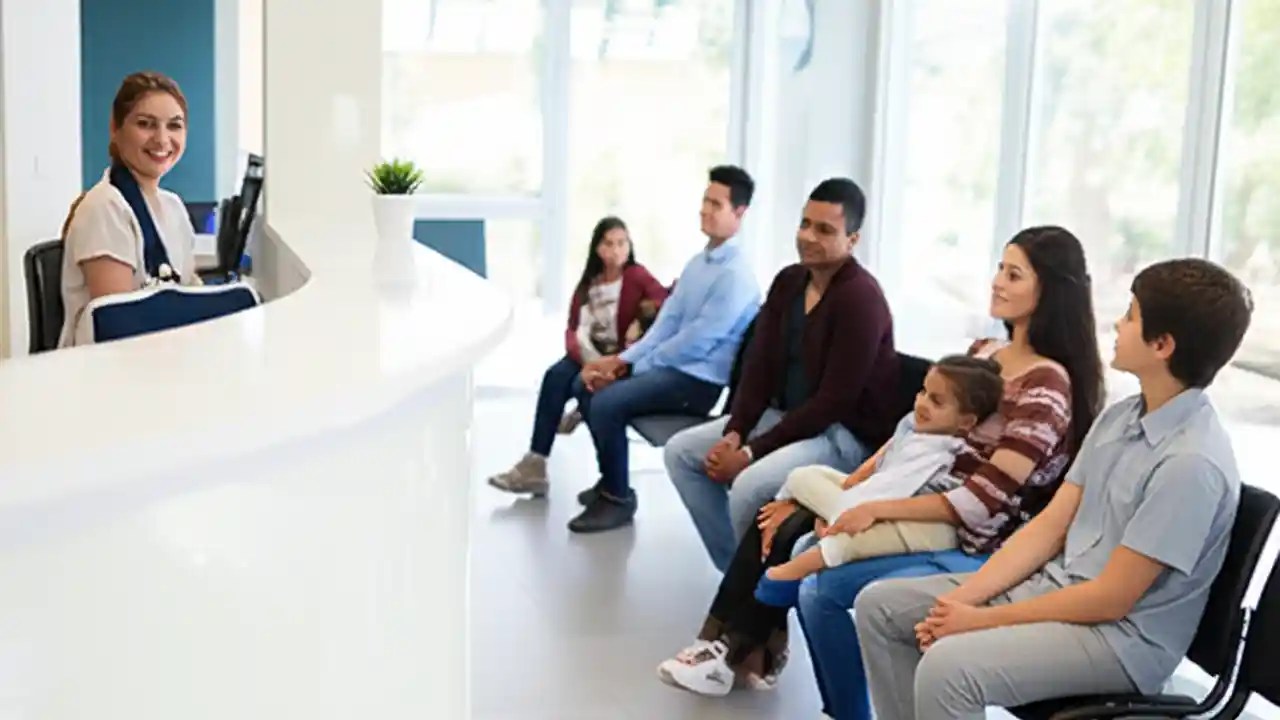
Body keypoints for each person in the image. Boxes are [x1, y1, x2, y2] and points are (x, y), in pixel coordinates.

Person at [855, 258, 1252, 719]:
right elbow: (1050, 527)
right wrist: (962, 600)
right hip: (1055, 588)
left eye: (1130, 316)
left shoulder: (1191, 465)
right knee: (879, 607)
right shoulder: (1122, 416)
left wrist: (981, 619)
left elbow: (1111, 599)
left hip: (1120, 640)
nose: (1117, 325)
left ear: (1162, 345)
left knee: (948, 667)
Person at [784, 226, 1106, 720]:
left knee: (819, 587)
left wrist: (874, 510)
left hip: (978, 543)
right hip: (925, 507)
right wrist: (855, 493)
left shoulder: (1046, 385)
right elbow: (913, 433)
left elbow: (982, 501)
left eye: (1014, 274)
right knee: (806, 551)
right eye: (1000, 268)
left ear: (1050, 291)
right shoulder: (983, 352)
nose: (997, 282)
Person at [664, 178, 900, 572]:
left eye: (824, 230)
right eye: (804, 224)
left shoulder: (861, 299)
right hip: (787, 418)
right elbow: (759, 366)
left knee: (748, 487)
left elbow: (833, 402)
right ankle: (737, 576)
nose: (808, 237)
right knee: (682, 453)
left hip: (842, 435)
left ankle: (750, 591)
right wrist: (736, 432)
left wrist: (750, 453)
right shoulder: (789, 282)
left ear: (853, 239)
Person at [556, 165, 761, 533]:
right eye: (705, 201)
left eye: (716, 204)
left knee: (605, 402)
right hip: (669, 369)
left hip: (697, 383)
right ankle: (611, 481)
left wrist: (635, 367)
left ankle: (617, 499)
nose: (705, 210)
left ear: (740, 213)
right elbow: (667, 323)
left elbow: (698, 340)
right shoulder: (698, 264)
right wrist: (620, 360)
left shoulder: (737, 275)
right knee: (580, 385)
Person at [753, 356, 1003, 606]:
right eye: (923, 392)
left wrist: (839, 516)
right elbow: (870, 478)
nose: (922, 403)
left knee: (850, 537)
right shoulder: (916, 427)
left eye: (936, 401)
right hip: (878, 499)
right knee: (803, 476)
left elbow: (888, 490)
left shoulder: (939, 452)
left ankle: (789, 574)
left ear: (966, 421)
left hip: (918, 523)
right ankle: (796, 511)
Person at [489, 216, 668, 496]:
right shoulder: (589, 284)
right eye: (609, 243)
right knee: (554, 377)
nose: (616, 250)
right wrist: (583, 358)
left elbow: (664, 301)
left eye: (622, 243)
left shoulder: (636, 276)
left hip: (619, 359)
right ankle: (535, 464)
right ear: (598, 248)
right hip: (587, 355)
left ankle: (607, 475)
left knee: (580, 386)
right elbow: (573, 328)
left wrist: (640, 320)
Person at [59, 71, 201, 348]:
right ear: (116, 128)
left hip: (162, 354)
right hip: (108, 365)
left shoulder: (173, 206)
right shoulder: (104, 208)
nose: (162, 139)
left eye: (174, 126)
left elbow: (189, 294)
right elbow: (120, 327)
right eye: (146, 124)